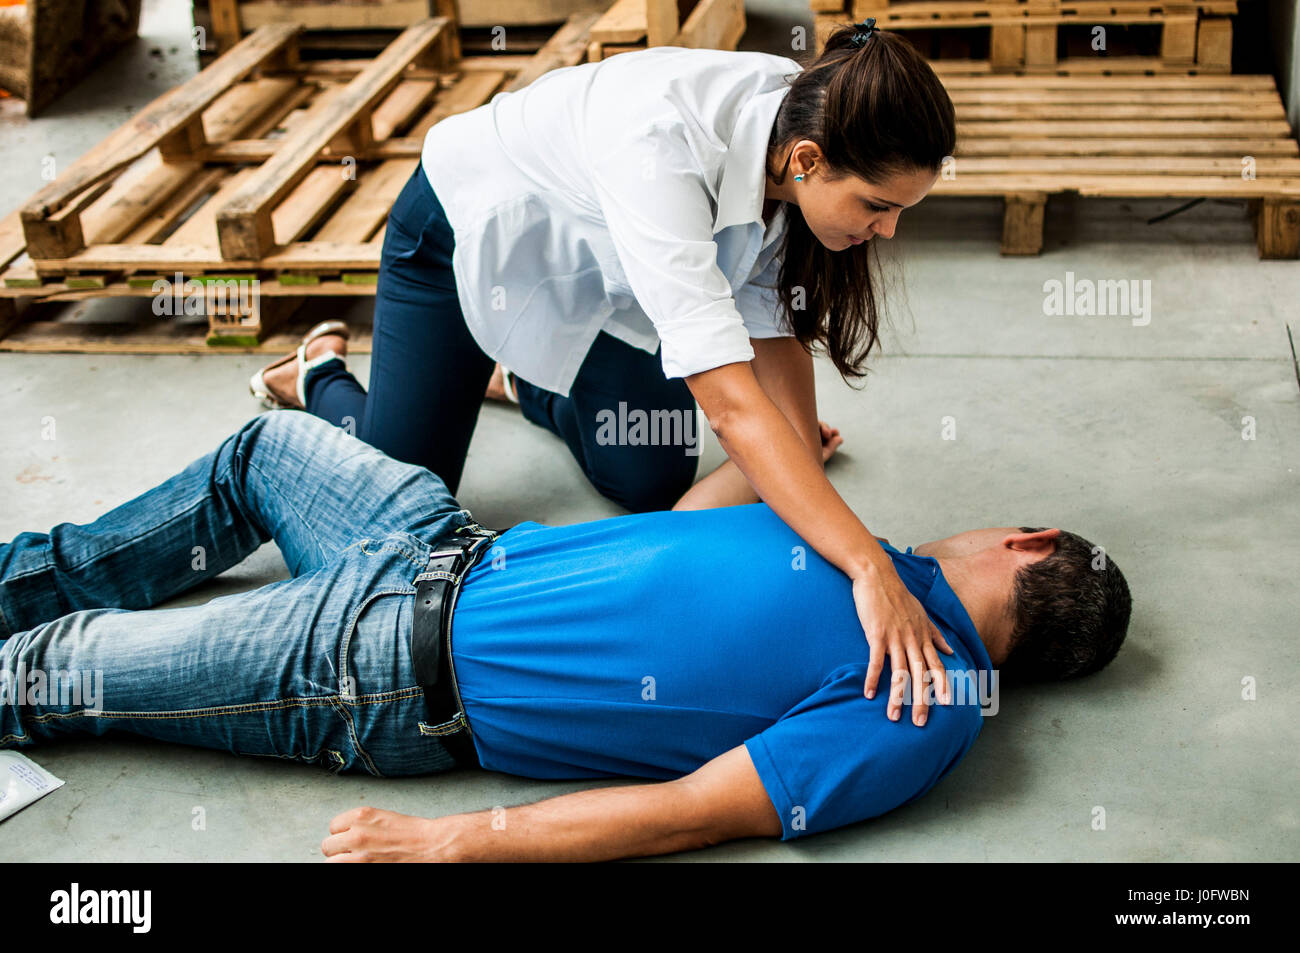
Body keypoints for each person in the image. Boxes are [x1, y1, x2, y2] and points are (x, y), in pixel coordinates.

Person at [0, 412, 1132, 862]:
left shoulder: (922, 703)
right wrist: (772, 464)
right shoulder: (872, 559)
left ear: (1026, 542)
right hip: (438, 542)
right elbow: (674, 547)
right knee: (264, 452)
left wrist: (454, 841)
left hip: (377, 672)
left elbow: (693, 809)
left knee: (51, 671)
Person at [248, 21, 964, 725]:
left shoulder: (805, 127)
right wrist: (868, 565)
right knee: (392, 522)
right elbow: (737, 414)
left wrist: (793, 454)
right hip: (460, 240)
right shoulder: (660, 146)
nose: (890, 231)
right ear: (807, 160)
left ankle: (519, 380)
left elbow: (778, 412)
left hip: (604, 279)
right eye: (878, 205)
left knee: (647, 472)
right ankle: (319, 373)